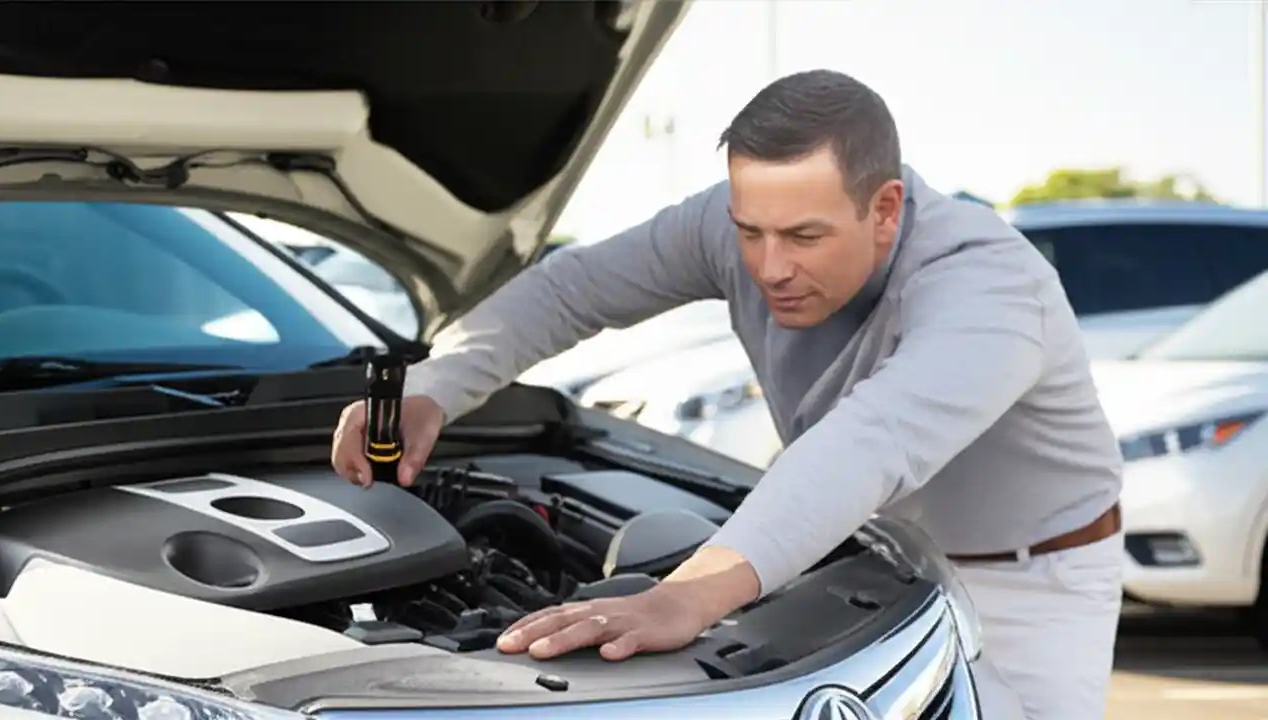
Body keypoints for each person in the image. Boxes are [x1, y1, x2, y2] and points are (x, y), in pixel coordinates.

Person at [331, 69, 1125, 719]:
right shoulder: (742, 220)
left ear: (885, 209)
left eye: (805, 237)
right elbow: (572, 290)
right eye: (751, 232)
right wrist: (436, 387)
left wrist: (688, 596)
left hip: (1031, 587)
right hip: (867, 554)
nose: (769, 266)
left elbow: (870, 440)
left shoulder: (993, 288)